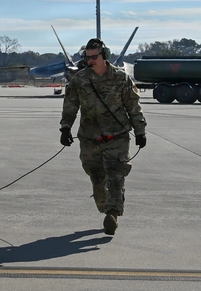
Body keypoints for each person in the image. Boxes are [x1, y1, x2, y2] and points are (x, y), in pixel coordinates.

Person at [59, 39, 147, 236]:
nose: (90, 61)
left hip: (117, 137)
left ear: (104, 56)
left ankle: (112, 214)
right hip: (90, 139)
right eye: (87, 57)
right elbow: (70, 104)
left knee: (116, 176)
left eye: (94, 57)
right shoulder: (80, 79)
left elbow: (133, 106)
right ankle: (105, 206)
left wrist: (140, 131)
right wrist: (65, 128)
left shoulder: (120, 78)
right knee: (97, 178)